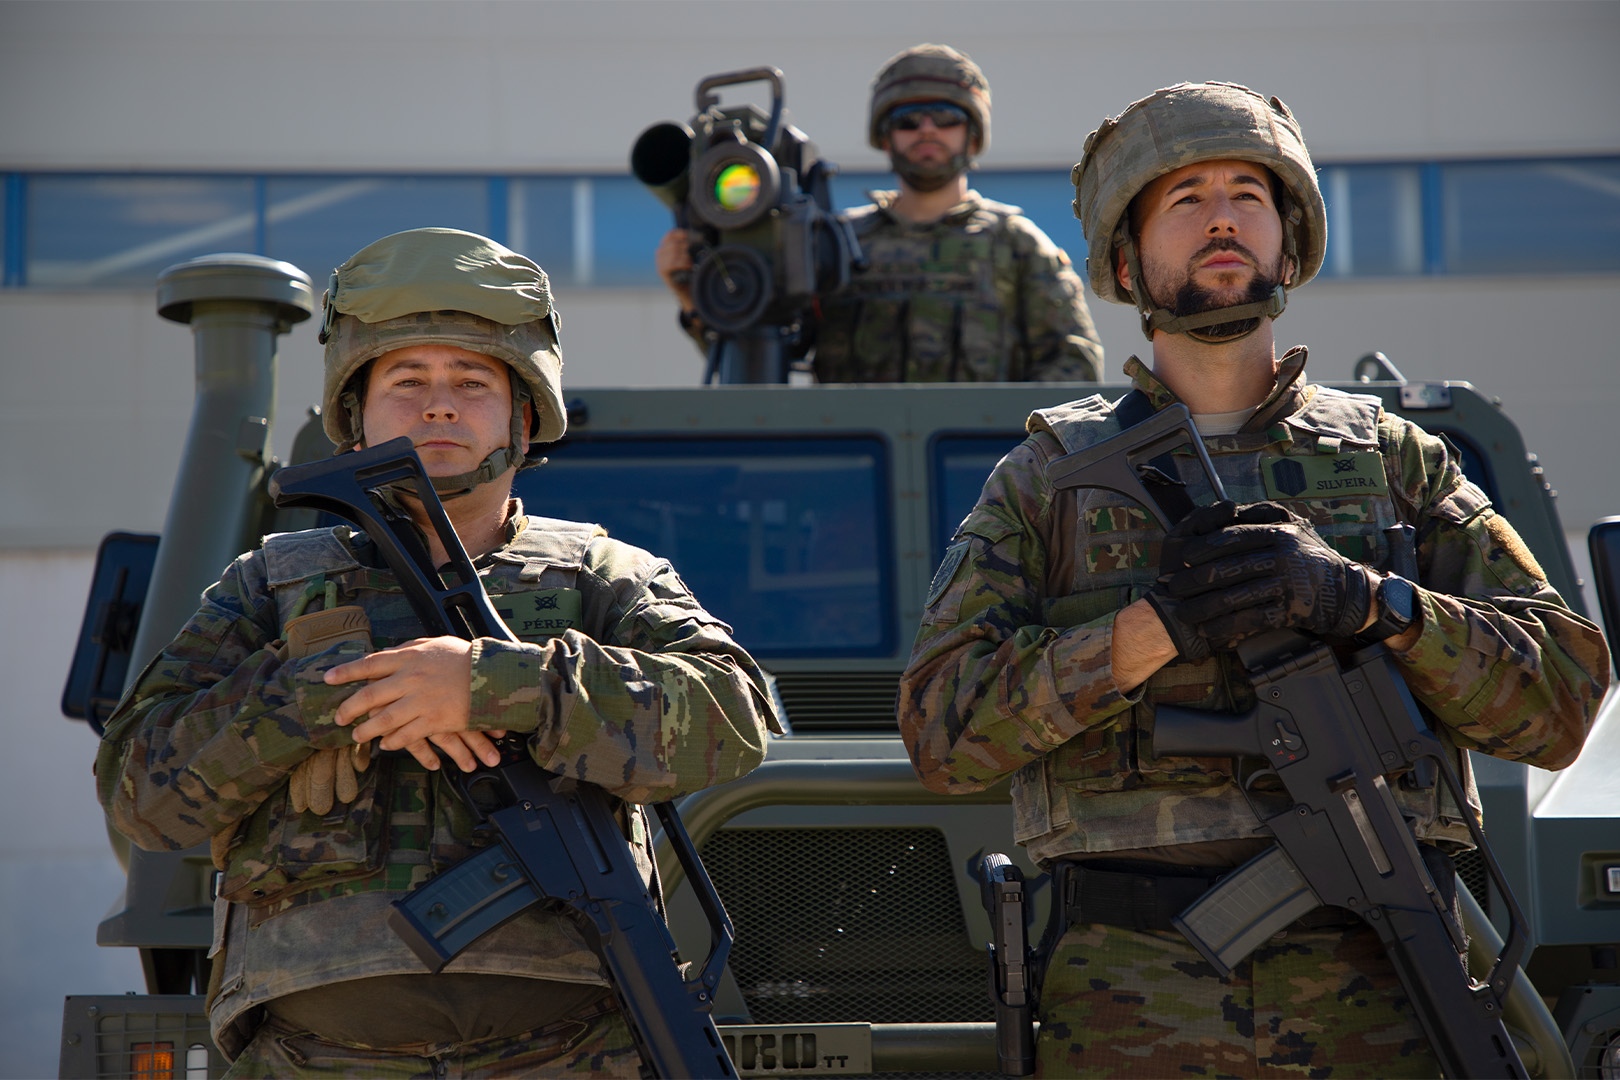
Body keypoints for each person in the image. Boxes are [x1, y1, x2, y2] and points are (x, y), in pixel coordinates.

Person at [898, 82, 1610, 1077]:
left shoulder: (1400, 463)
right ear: (1125, 258)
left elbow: (1565, 700)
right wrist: (1147, 635)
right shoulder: (1051, 479)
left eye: (1249, 193)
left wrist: (1372, 604)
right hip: (1132, 994)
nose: (1223, 216)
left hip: (1386, 985)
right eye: (1184, 198)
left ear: (1290, 240)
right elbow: (943, 733)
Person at [95, 227, 781, 1078]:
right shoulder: (269, 586)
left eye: (472, 382)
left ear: (523, 419)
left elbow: (736, 720)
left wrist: (496, 685)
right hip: (313, 1058)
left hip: (572, 1050)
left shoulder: (604, 577)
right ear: (353, 421)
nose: (439, 404)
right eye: (406, 381)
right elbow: (139, 796)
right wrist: (322, 697)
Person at [656, 43, 1105, 383]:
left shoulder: (1017, 245)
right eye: (907, 120)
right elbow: (762, 354)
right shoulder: (833, 244)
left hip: (988, 490)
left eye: (945, 117)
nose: (926, 130)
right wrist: (695, 298)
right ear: (886, 139)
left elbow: (1073, 373)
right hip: (856, 486)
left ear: (972, 137)